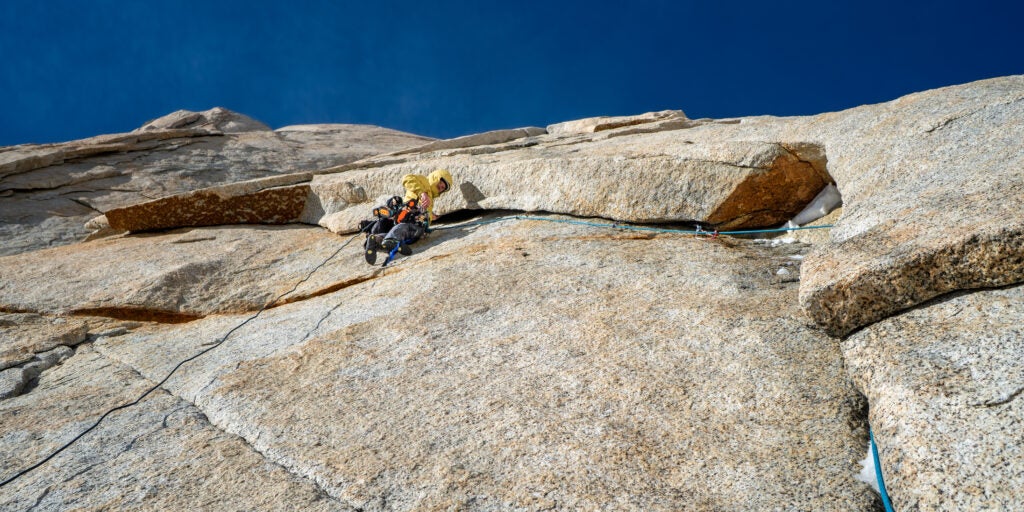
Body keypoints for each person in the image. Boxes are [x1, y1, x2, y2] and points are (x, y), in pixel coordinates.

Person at [364, 169, 453, 264]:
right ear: (436, 178)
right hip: (408, 215)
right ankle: (391, 241)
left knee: (405, 234)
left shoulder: (431, 199)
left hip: (411, 220)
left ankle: (376, 240)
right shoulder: (423, 181)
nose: (440, 188)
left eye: (443, 188)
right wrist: (422, 193)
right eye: (441, 183)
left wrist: (431, 216)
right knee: (406, 228)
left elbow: (425, 213)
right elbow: (407, 178)